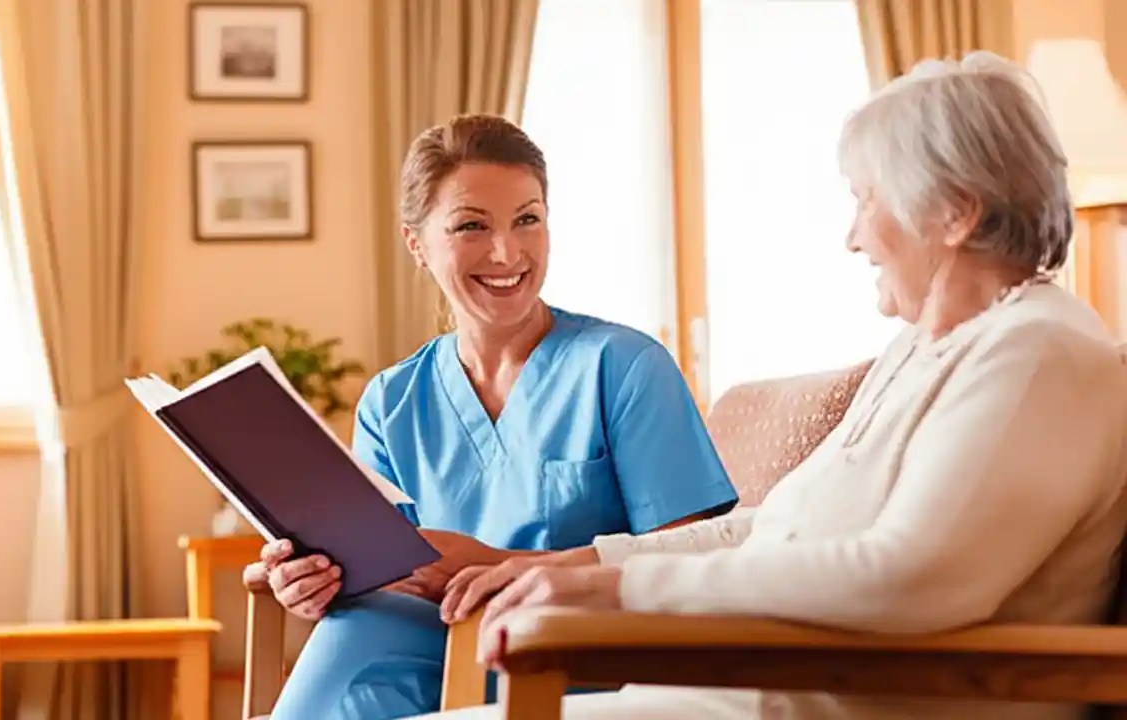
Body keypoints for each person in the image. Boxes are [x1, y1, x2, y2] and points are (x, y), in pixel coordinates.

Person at [422, 51, 1127, 720]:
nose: (854, 236)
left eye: (867, 199)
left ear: (957, 212)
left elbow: (905, 579)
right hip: (752, 694)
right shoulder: (926, 350)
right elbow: (775, 525)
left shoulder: (1040, 355)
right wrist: (584, 563)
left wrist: (618, 589)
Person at [242, 114, 739, 719]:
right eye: (471, 226)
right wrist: (314, 585)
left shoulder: (625, 366)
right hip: (441, 654)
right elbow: (379, 576)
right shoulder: (391, 400)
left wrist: (491, 564)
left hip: (580, 652)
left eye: (527, 220)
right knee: (359, 632)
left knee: (363, 655)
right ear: (416, 244)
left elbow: (697, 563)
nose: (507, 252)